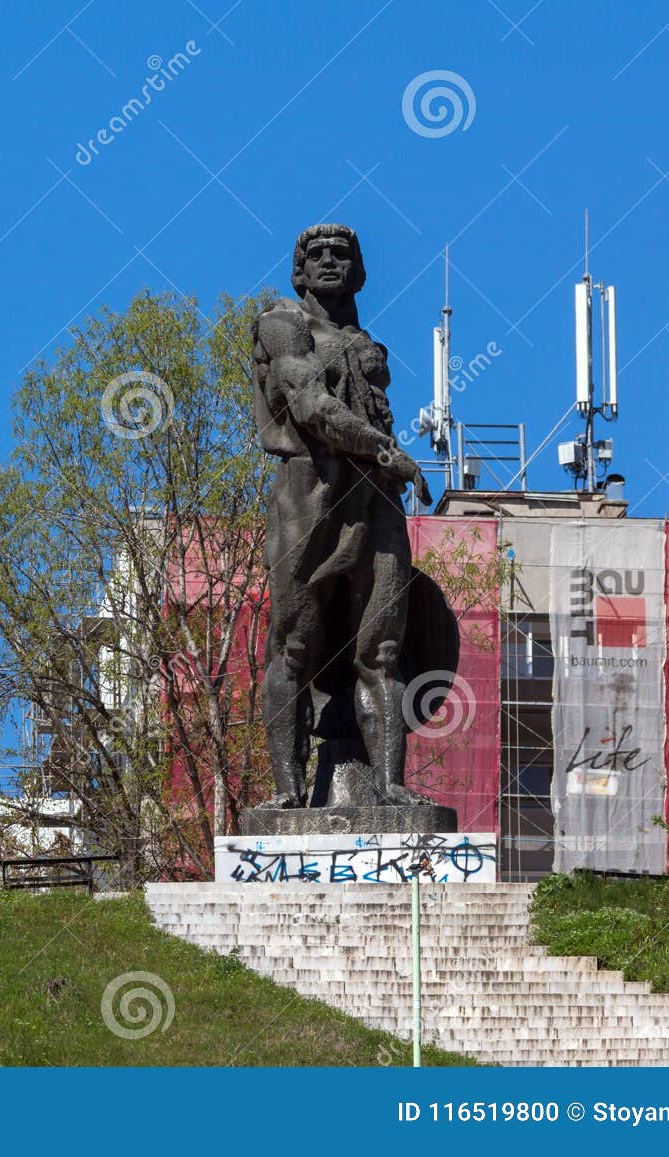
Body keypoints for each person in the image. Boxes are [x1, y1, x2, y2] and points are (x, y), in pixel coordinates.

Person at [253, 223, 434, 809]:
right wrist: (386, 451)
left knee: (382, 648)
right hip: (309, 496)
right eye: (317, 254)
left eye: (343, 254)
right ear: (299, 270)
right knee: (294, 648)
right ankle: (287, 791)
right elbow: (309, 403)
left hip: (375, 499)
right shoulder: (283, 324)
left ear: (358, 271)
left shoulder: (364, 341)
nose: (330, 262)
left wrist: (384, 463)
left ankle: (390, 784)